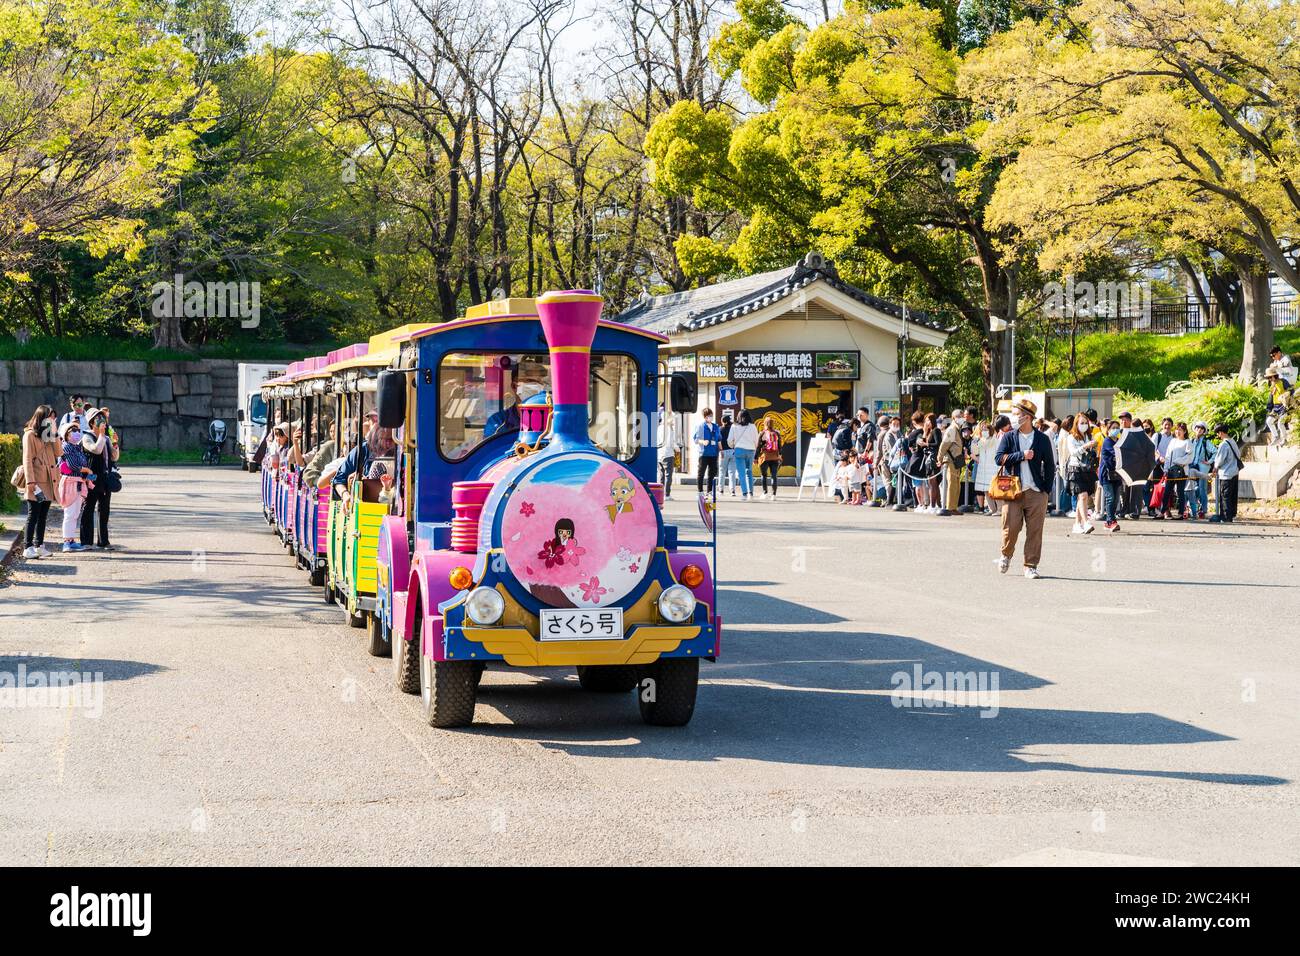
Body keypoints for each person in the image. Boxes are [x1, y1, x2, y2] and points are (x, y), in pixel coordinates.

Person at [993, 398, 1054, 578]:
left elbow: (1050, 465)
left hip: (1036, 492)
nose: (1013, 418)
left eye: (1016, 414)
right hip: (1013, 491)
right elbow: (998, 458)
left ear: (1027, 417)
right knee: (1010, 527)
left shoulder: (1042, 439)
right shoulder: (1009, 436)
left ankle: (1030, 565)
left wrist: (1046, 489)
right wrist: (1021, 455)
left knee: (1035, 531)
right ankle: (1006, 554)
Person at [20, 405, 59, 559]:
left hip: (49, 480)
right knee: (33, 514)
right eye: (50, 417)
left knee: (43, 515)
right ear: (42, 417)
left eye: (54, 418)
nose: (52, 420)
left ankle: (39, 545)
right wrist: (30, 482)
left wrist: (54, 433)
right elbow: (27, 459)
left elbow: (59, 452)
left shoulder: (48, 435)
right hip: (36, 481)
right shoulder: (29, 435)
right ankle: (27, 546)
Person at [79, 407, 119, 550]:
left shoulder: (106, 437)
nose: (101, 420)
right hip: (92, 478)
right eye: (98, 418)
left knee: (104, 509)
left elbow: (114, 457)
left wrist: (114, 443)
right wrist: (102, 435)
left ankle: (103, 541)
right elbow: (96, 449)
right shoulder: (86, 437)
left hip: (105, 478)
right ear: (91, 422)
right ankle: (86, 542)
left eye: (102, 417)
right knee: (88, 508)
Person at [57, 420, 94, 553]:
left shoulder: (77, 448)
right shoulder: (66, 447)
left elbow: (81, 464)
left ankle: (71, 540)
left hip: (79, 482)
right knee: (70, 513)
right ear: (66, 434)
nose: (77, 433)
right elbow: (73, 465)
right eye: (73, 431)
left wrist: (85, 472)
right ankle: (66, 542)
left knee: (75, 514)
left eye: (78, 430)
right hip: (70, 482)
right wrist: (86, 470)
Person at [1064, 415, 1098, 534]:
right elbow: (1073, 452)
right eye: (1081, 423)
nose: (1084, 425)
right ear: (1076, 424)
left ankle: (1077, 524)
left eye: (1085, 423)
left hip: (1087, 469)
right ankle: (1086, 522)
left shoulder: (1089, 435)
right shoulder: (1071, 437)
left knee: (1082, 497)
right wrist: (1085, 446)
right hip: (1075, 469)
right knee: (1082, 496)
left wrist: (1093, 445)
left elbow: (1092, 451)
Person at [1209, 424, 1242, 523]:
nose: (1218, 436)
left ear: (1221, 432)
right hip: (1234, 472)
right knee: (1232, 495)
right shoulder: (1233, 442)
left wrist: (1215, 468)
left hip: (1226, 473)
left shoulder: (1224, 444)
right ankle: (1231, 515)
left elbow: (1219, 460)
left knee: (1225, 496)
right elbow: (1239, 455)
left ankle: (1226, 516)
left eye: (1218, 433)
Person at [1098, 418, 1125, 532]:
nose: (1115, 430)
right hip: (1106, 474)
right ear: (1108, 430)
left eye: (1117, 428)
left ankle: (1109, 521)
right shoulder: (1107, 441)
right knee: (1110, 498)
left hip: (1117, 474)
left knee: (1115, 500)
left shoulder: (1119, 440)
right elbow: (1116, 453)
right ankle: (1111, 521)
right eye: (1113, 428)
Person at [937, 409, 965, 516]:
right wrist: (939, 458)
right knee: (952, 484)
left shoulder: (957, 429)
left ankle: (953, 506)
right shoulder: (952, 429)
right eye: (960, 416)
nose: (962, 418)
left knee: (956, 484)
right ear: (954, 418)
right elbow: (944, 445)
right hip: (950, 460)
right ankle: (950, 507)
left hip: (956, 459)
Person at [1163, 422, 1193, 519]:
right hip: (1171, 470)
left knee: (1180, 492)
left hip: (1181, 470)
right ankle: (1163, 511)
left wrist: (1178, 461)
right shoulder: (1173, 441)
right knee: (1167, 491)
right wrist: (1166, 468)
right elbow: (1168, 456)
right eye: (1176, 429)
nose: (1177, 432)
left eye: (1180, 430)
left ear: (1184, 431)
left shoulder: (1187, 442)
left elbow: (1190, 457)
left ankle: (1180, 513)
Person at [1186, 422, 1215, 520]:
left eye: (1202, 428)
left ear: (1204, 431)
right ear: (1194, 429)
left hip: (1202, 467)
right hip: (1192, 466)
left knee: (1202, 488)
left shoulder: (1206, 442)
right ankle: (1191, 508)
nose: (1199, 429)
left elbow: (1215, 451)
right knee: (1191, 488)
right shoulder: (1191, 440)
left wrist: (1209, 461)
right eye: (1197, 427)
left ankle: (1204, 510)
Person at [728, 409, 759, 500]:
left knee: (741, 473)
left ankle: (744, 493)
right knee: (749, 472)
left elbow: (729, 440)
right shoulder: (753, 426)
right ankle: (751, 493)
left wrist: (733, 446)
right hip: (750, 451)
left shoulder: (734, 426)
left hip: (739, 450)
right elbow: (756, 440)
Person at [972, 420, 1000, 515]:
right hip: (982, 468)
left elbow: (998, 453)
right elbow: (975, 452)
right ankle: (992, 509)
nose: (983, 430)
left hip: (992, 467)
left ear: (990, 430)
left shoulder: (995, 440)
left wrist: (998, 467)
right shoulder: (980, 441)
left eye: (985, 428)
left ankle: (999, 509)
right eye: (982, 429)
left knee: (994, 490)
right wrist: (974, 442)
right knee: (985, 490)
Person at [656, 405, 681, 500]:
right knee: (668, 475)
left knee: (661, 475)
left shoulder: (658, 428)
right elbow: (671, 442)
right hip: (668, 453)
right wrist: (677, 448)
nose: (674, 421)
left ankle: (660, 494)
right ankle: (667, 494)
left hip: (659, 454)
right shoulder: (669, 429)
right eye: (672, 419)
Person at [693, 408, 720, 494]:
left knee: (712, 473)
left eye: (711, 415)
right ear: (705, 417)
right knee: (701, 472)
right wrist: (703, 441)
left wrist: (721, 450)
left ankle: (710, 490)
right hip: (703, 453)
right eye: (709, 416)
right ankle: (700, 490)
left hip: (714, 453)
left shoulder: (715, 426)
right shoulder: (701, 426)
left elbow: (719, 439)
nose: (711, 417)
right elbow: (696, 439)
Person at [758, 415, 783, 500]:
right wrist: (780, 455)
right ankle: (774, 495)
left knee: (764, 475)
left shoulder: (762, 433)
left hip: (765, 457)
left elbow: (758, 446)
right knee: (774, 476)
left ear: (765, 424)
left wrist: (755, 457)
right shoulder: (777, 433)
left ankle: (765, 493)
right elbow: (780, 446)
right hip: (775, 457)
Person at [718, 413, 739, 497]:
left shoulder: (720, 429)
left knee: (722, 471)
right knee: (732, 472)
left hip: (723, 452)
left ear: (723, 422)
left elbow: (718, 441)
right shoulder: (733, 429)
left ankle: (721, 490)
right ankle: (732, 490)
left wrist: (720, 451)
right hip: (733, 451)